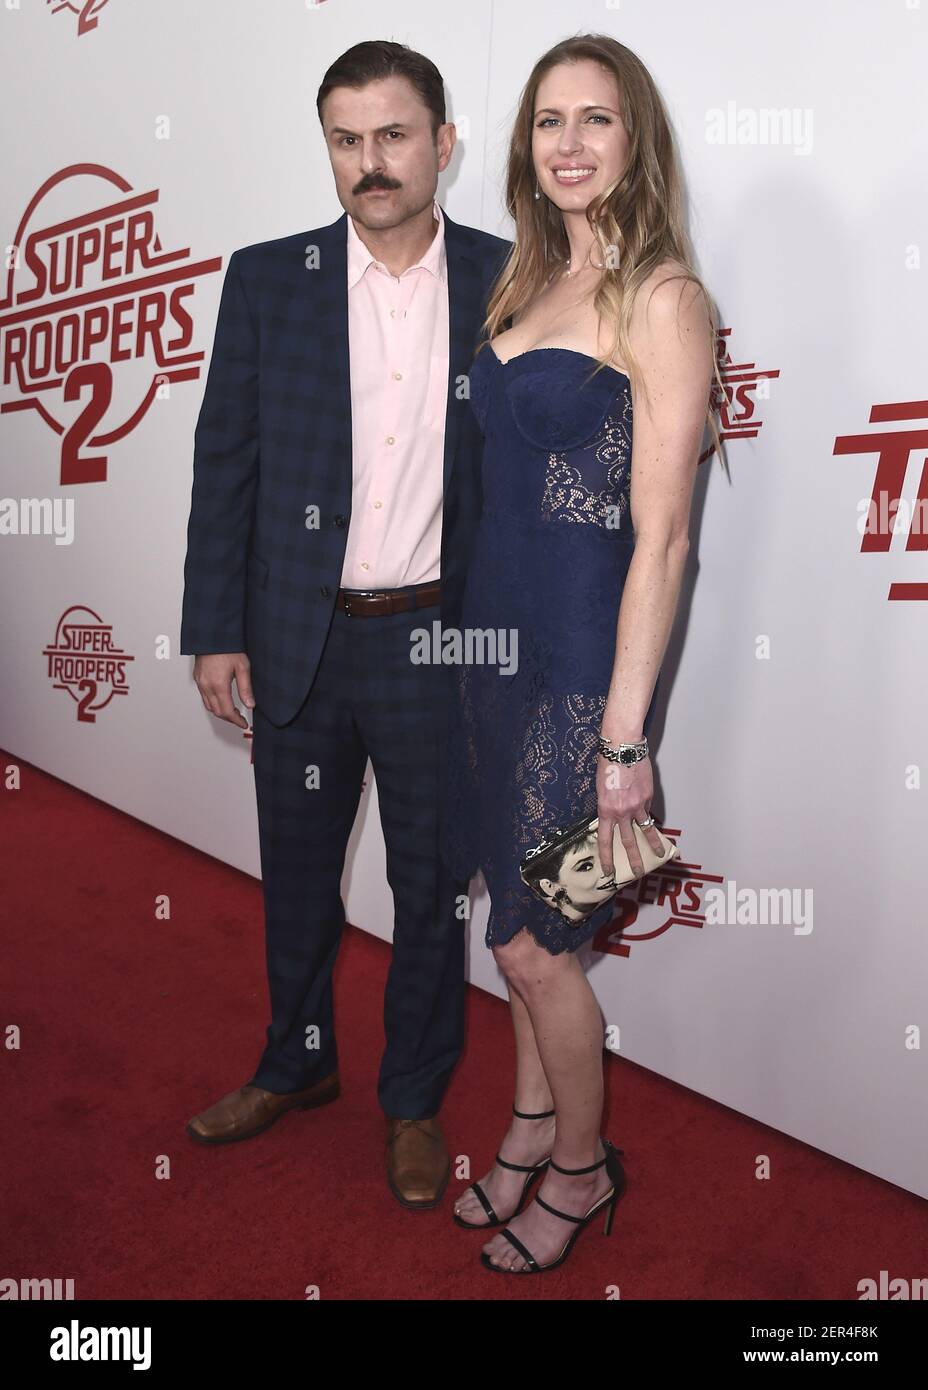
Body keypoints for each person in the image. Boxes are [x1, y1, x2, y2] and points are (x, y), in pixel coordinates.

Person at [179, 40, 509, 1209]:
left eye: (393, 136)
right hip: (297, 640)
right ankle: (295, 1062)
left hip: (438, 646)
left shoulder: (506, 280)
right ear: (327, 145)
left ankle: (412, 1100)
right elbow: (228, 462)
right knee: (298, 875)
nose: (369, 163)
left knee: (430, 888)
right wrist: (216, 628)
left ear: (442, 144)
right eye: (345, 139)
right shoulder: (269, 279)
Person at [443, 33, 721, 1272]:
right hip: (491, 653)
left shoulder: (659, 299)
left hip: (572, 665)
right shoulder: (522, 282)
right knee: (513, 913)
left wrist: (623, 738)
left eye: (594, 119)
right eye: (547, 119)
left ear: (633, 138)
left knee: (531, 943)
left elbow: (662, 543)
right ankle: (525, 1123)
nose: (567, 142)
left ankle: (581, 1166)